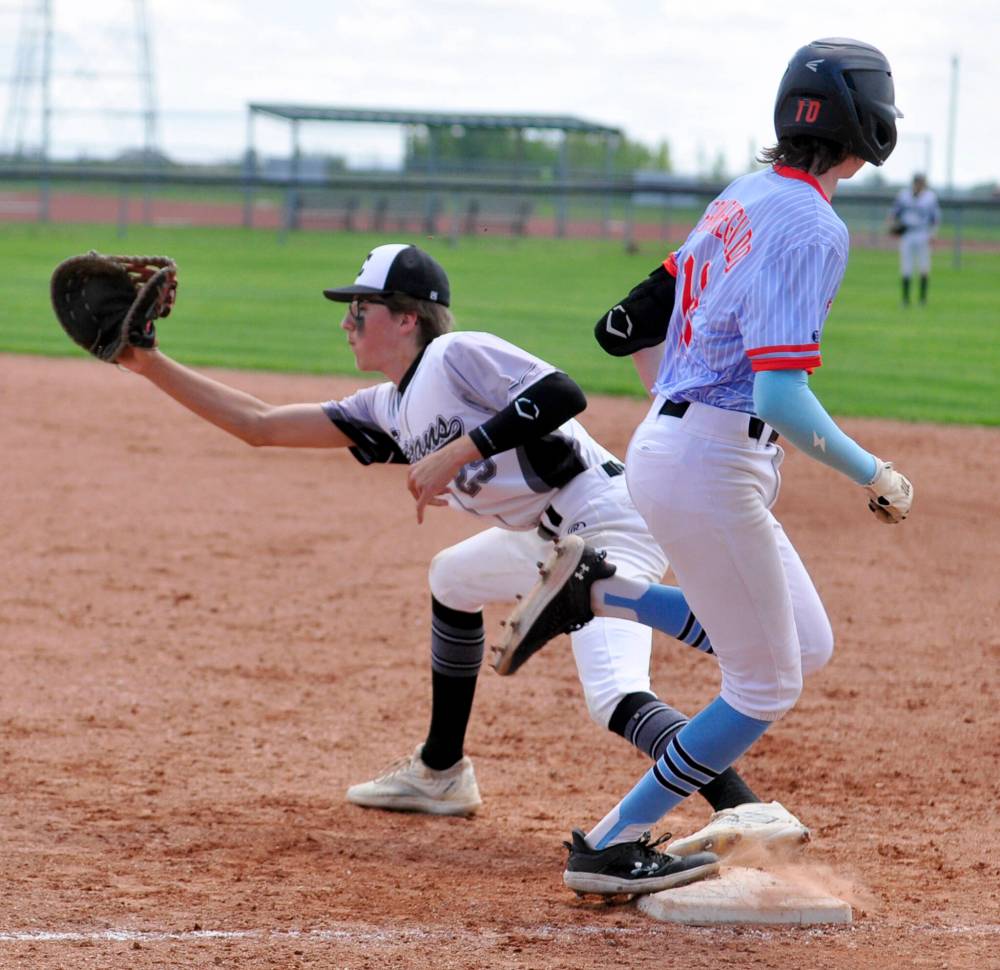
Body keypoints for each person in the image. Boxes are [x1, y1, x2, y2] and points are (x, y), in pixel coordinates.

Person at [113, 241, 808, 896]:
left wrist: (460, 449)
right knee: (452, 576)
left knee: (613, 696)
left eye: (363, 307)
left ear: (409, 317)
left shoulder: (454, 354)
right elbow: (260, 423)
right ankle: (441, 772)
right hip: (547, 537)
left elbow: (563, 393)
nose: (349, 321)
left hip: (606, 519)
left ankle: (743, 807)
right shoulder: (387, 405)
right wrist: (148, 363)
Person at [494, 38, 914, 897]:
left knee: (803, 644)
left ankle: (602, 594)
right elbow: (782, 396)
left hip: (678, 446)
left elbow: (650, 310)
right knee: (764, 684)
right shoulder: (811, 223)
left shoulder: (746, 192)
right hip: (714, 458)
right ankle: (612, 841)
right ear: (865, 126)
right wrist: (874, 473)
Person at [890, 173, 940, 305]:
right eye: (917, 182)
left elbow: (935, 218)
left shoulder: (930, 197)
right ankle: (905, 299)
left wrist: (933, 233)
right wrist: (892, 224)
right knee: (906, 267)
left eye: (921, 183)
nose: (918, 185)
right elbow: (895, 212)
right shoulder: (904, 195)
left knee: (924, 267)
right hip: (907, 233)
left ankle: (922, 299)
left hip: (922, 233)